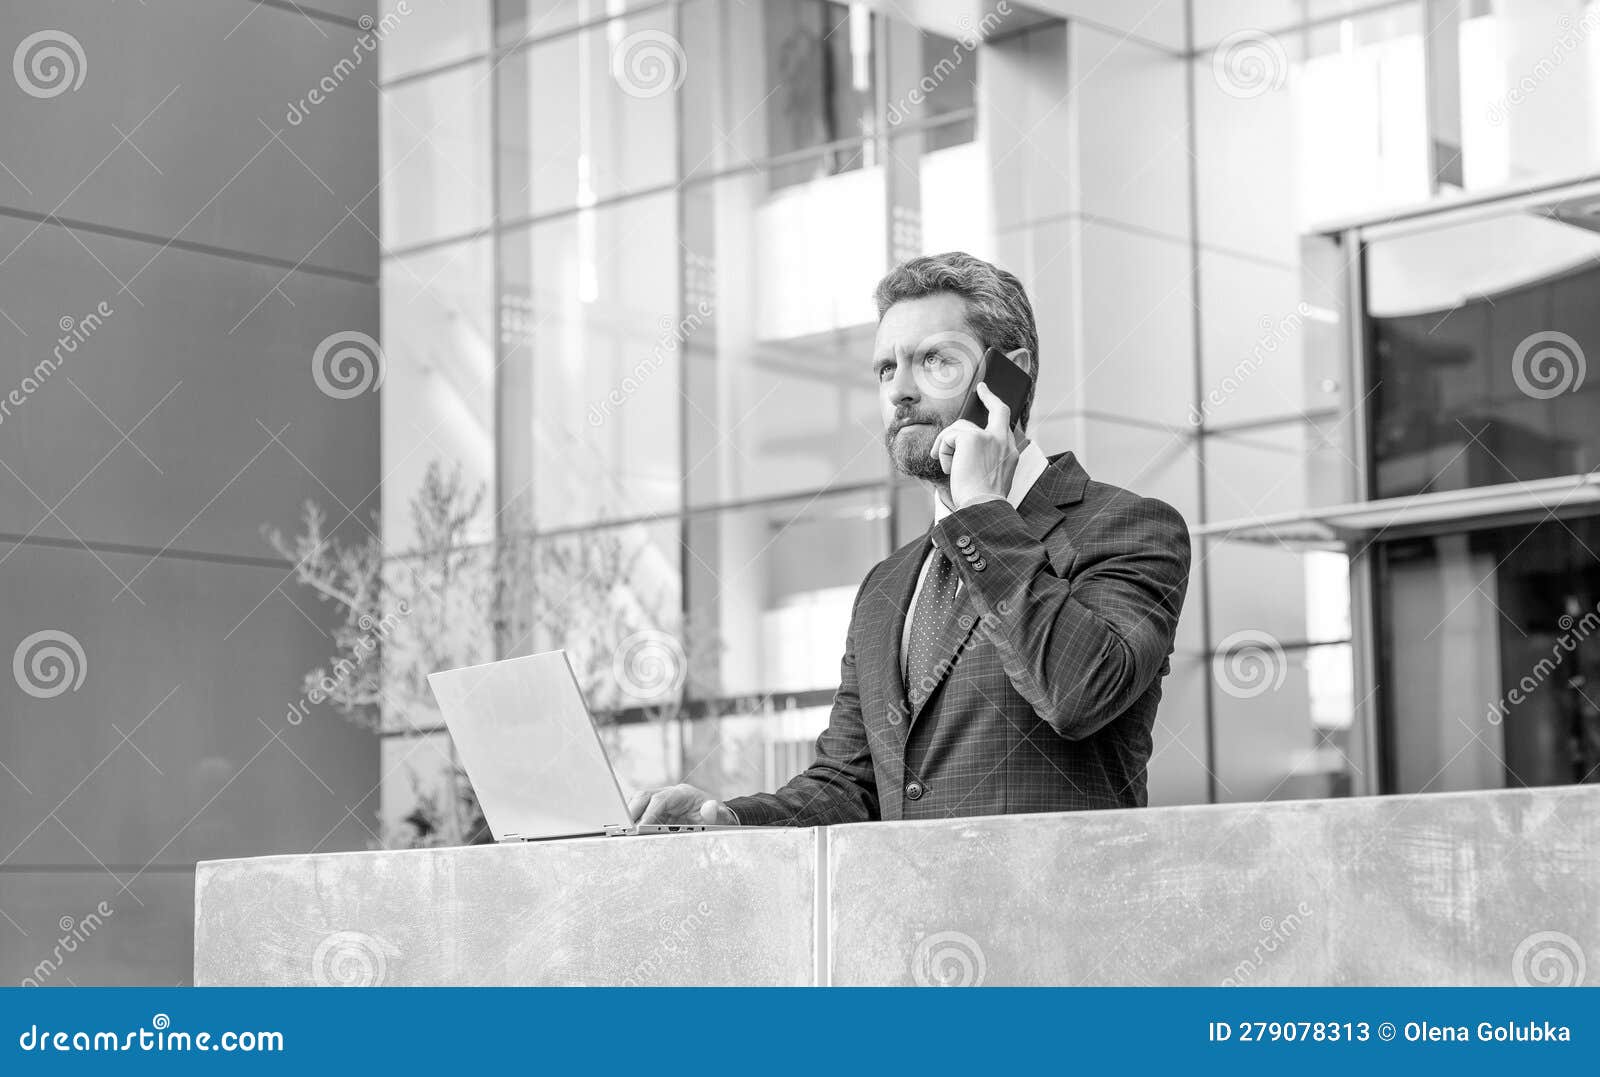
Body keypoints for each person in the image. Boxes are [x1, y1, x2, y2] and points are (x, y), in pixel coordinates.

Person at [628, 251, 1192, 827]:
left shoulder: (1130, 528)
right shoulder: (887, 585)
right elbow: (849, 785)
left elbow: (1078, 694)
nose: (899, 391)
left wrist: (982, 508)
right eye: (885, 369)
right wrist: (726, 820)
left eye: (933, 361)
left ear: (1008, 378)